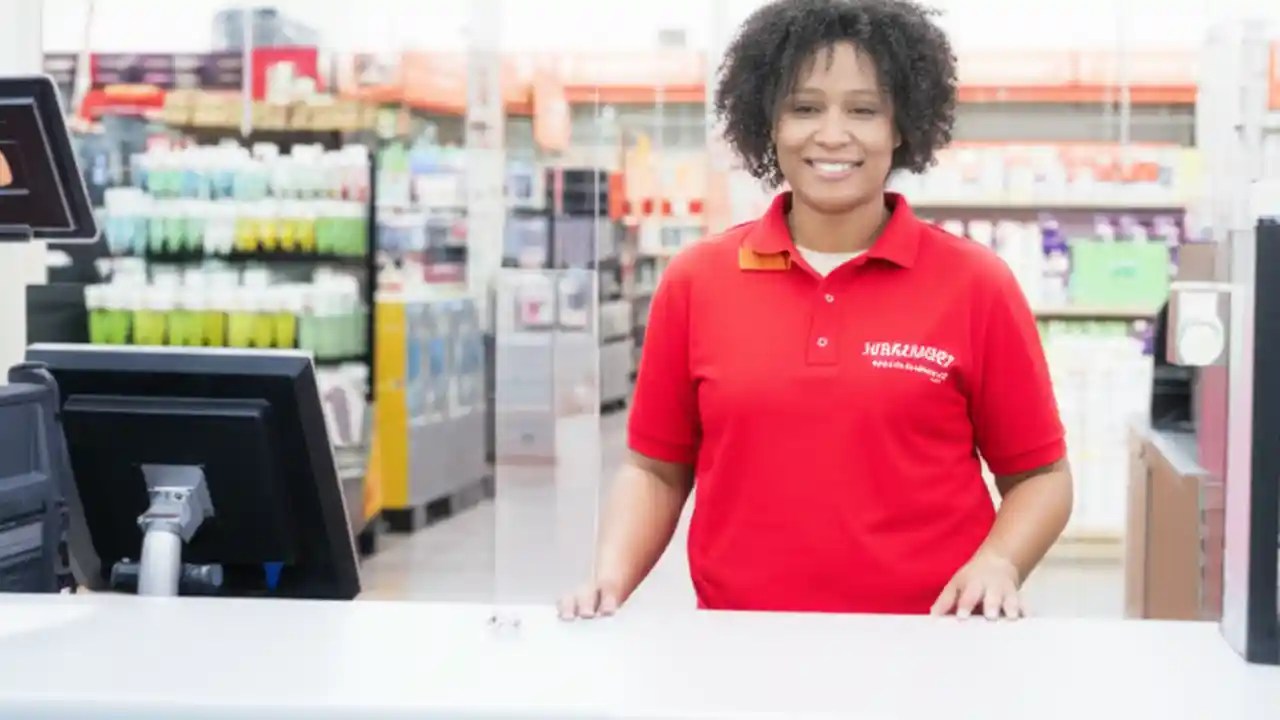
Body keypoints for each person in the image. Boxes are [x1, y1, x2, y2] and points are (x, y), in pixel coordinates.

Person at [559, 0, 1073, 621]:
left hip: (932, 642)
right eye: (804, 108)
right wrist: (609, 578)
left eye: (864, 110)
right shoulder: (696, 282)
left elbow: (1041, 476)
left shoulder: (975, 284)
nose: (832, 134)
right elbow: (655, 471)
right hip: (739, 642)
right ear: (768, 122)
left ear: (901, 126)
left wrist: (999, 562)